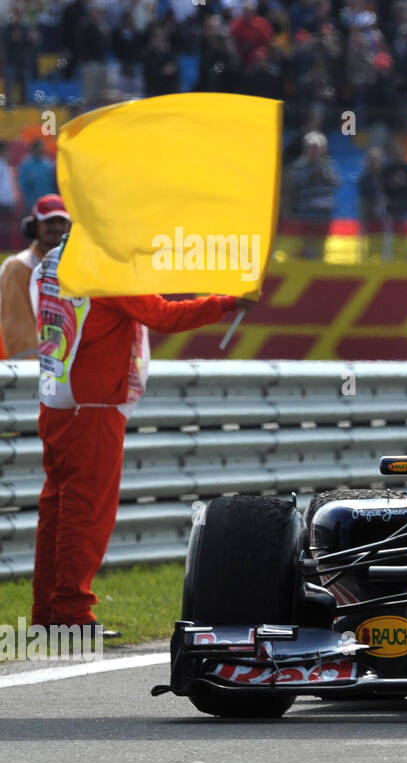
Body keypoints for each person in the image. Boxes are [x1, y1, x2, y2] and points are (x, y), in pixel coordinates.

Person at [30, 235, 253, 637]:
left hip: (55, 397)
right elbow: (164, 315)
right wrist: (226, 303)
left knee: (57, 509)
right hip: (94, 406)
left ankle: (47, 612)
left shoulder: (53, 258)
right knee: (87, 513)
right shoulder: (106, 268)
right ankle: (73, 614)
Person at [1, 194, 69, 360]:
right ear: (35, 227)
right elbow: (17, 328)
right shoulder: (19, 268)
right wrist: (33, 372)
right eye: (49, 222)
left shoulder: (73, 267)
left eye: (61, 222)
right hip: (33, 371)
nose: (56, 227)